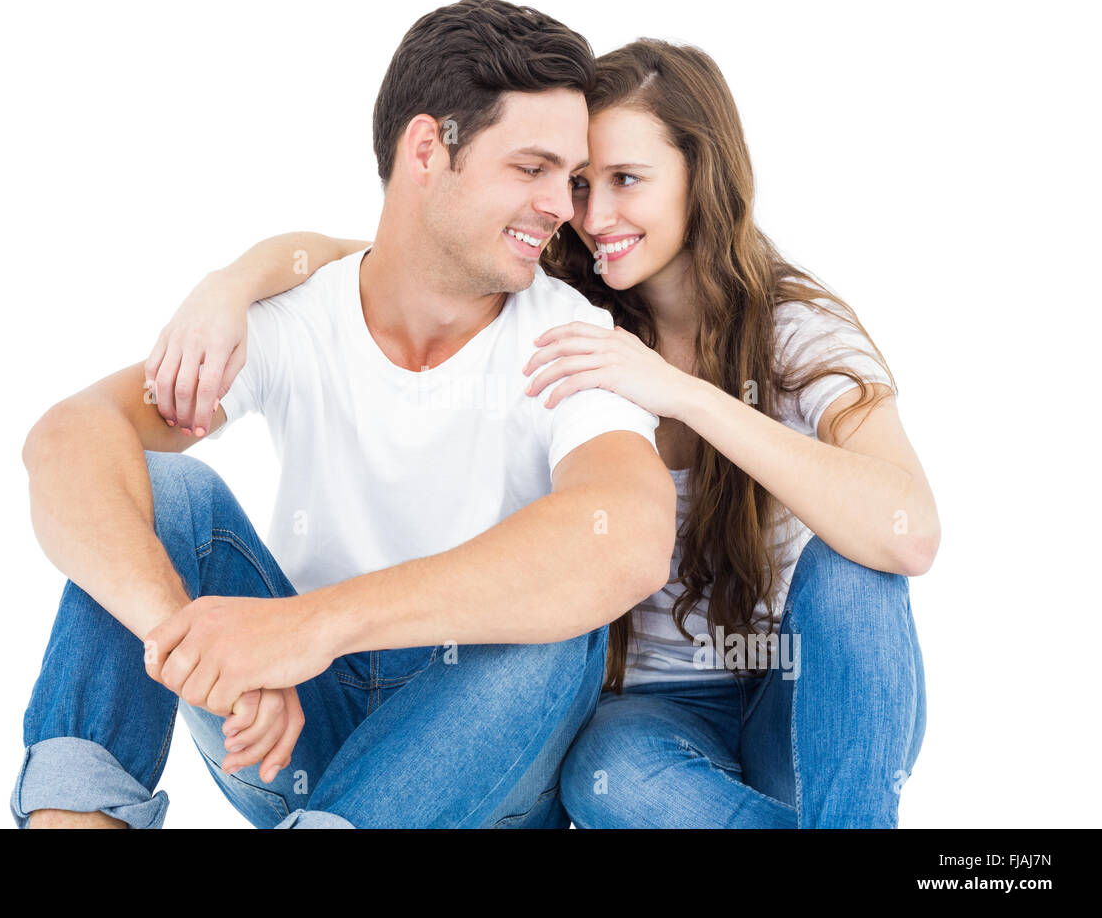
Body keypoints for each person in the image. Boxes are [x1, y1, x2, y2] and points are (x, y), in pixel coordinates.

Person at [151, 40, 939, 828]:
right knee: (611, 777)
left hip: (798, 707)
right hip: (640, 718)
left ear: (704, 173)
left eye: (628, 180)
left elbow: (909, 532)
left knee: (856, 568)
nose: (594, 218)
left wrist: (686, 396)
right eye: (581, 185)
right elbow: (393, 252)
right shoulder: (560, 304)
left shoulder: (794, 329)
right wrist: (234, 282)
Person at [10, 0, 678, 830]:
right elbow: (68, 438)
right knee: (162, 491)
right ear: (429, 148)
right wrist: (193, 641)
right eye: (532, 168)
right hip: (287, 727)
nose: (561, 206)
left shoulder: (571, 336)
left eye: (570, 178)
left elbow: (632, 535)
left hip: (476, 766)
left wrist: (310, 627)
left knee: (560, 615)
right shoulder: (299, 314)